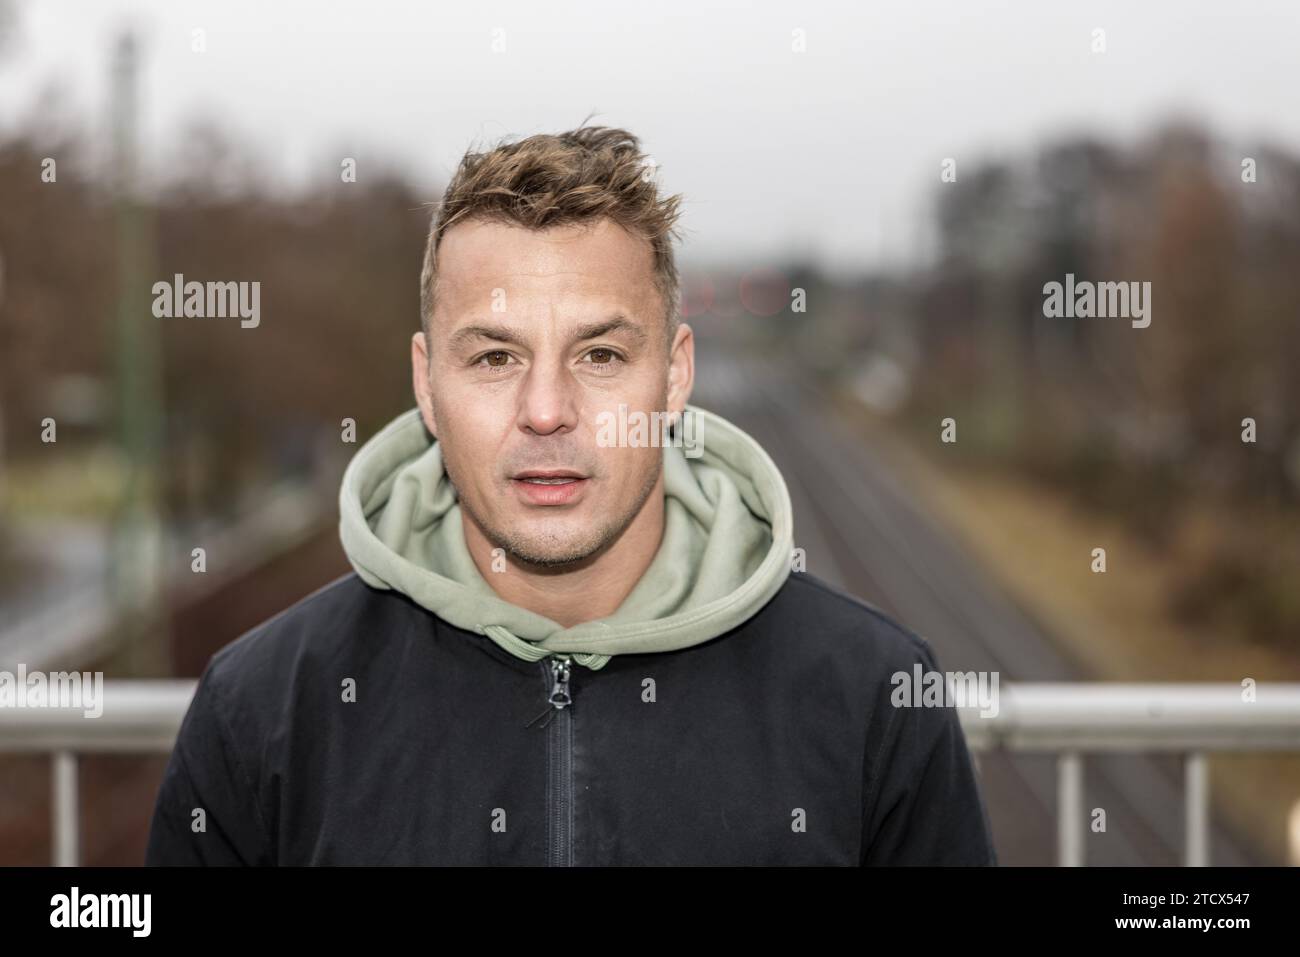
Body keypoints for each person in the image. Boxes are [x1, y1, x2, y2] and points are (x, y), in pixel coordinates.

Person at [145, 124, 997, 866]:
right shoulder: (264, 707)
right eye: (494, 357)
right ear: (426, 385)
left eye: (599, 356)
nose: (547, 412)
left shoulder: (876, 695)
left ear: (674, 377)